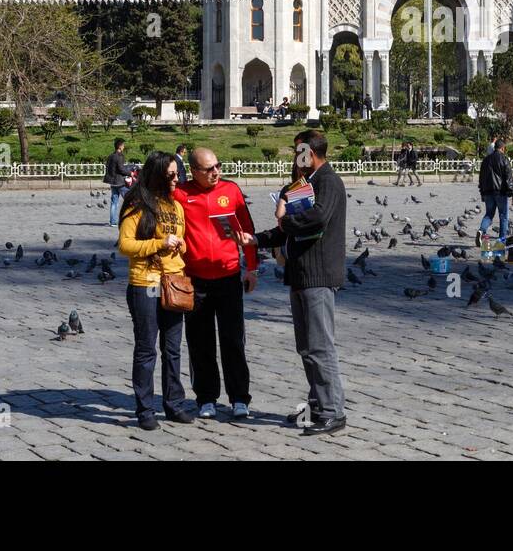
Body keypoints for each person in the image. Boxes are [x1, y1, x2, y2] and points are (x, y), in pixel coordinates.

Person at [246, 129, 347, 436]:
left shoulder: (328, 181)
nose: (294, 157)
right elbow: (290, 228)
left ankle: (333, 412)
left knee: (320, 345)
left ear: (310, 153)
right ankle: (316, 405)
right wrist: (256, 239)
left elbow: (315, 219)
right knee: (306, 347)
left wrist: (283, 218)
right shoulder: (305, 184)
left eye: (297, 151)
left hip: (318, 274)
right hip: (300, 273)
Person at [174, 146, 259, 421]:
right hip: (195, 279)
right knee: (200, 342)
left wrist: (252, 268)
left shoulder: (231, 191)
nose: (215, 172)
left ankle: (239, 398)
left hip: (228, 275)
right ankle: (206, 397)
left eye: (218, 166)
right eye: (209, 169)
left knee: (233, 340)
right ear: (194, 171)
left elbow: (247, 230)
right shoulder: (181, 194)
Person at [117, 151, 192, 430]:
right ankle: (145, 409)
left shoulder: (176, 206)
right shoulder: (137, 204)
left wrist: (180, 245)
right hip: (145, 283)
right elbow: (125, 245)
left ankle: (173, 404)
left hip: (173, 284)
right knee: (147, 349)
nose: (176, 179)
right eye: (171, 174)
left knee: (172, 349)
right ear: (158, 175)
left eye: (178, 174)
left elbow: (180, 238)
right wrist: (159, 243)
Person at [478, 138, 513, 241]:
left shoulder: (486, 160)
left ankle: (481, 230)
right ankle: (502, 239)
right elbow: (509, 178)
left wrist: (482, 192)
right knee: (503, 216)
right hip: (500, 192)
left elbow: (481, 178)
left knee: (489, 214)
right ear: (503, 148)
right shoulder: (504, 159)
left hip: (487, 192)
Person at [103, 138, 134, 227]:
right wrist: (130, 173)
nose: (124, 147)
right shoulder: (120, 156)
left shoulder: (111, 156)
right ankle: (130, 218)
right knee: (129, 199)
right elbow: (121, 169)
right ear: (120, 146)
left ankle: (112, 221)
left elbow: (108, 167)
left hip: (112, 181)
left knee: (114, 201)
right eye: (123, 145)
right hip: (119, 182)